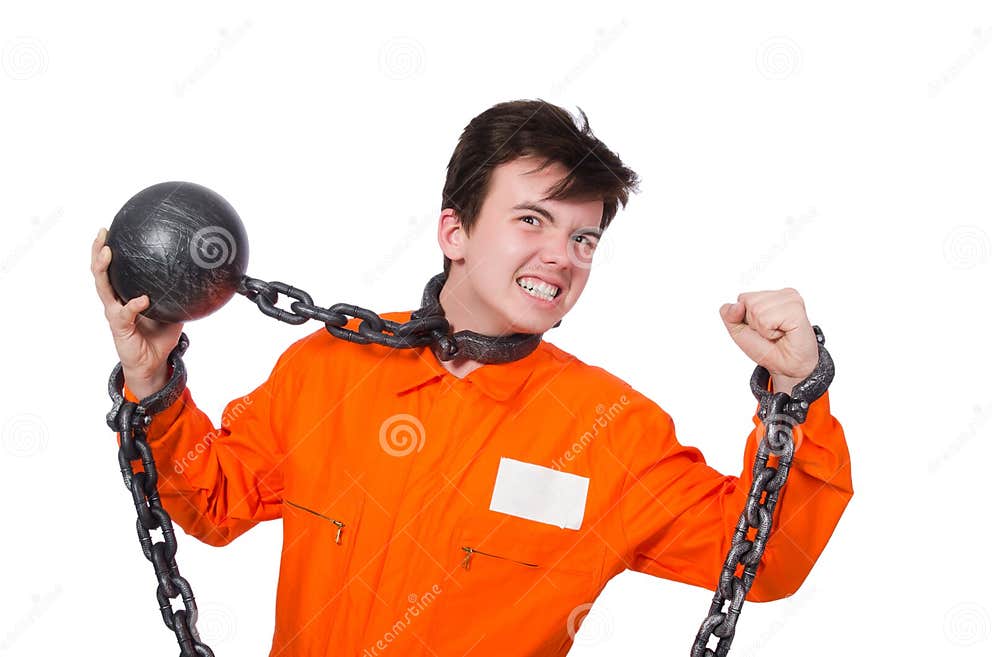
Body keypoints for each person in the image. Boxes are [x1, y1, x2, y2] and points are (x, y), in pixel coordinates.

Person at [90, 99, 853, 657]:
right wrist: (151, 380)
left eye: (582, 236)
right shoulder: (326, 370)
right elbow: (214, 499)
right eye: (532, 220)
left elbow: (763, 556)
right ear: (454, 230)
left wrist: (799, 394)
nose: (562, 254)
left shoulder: (610, 430)